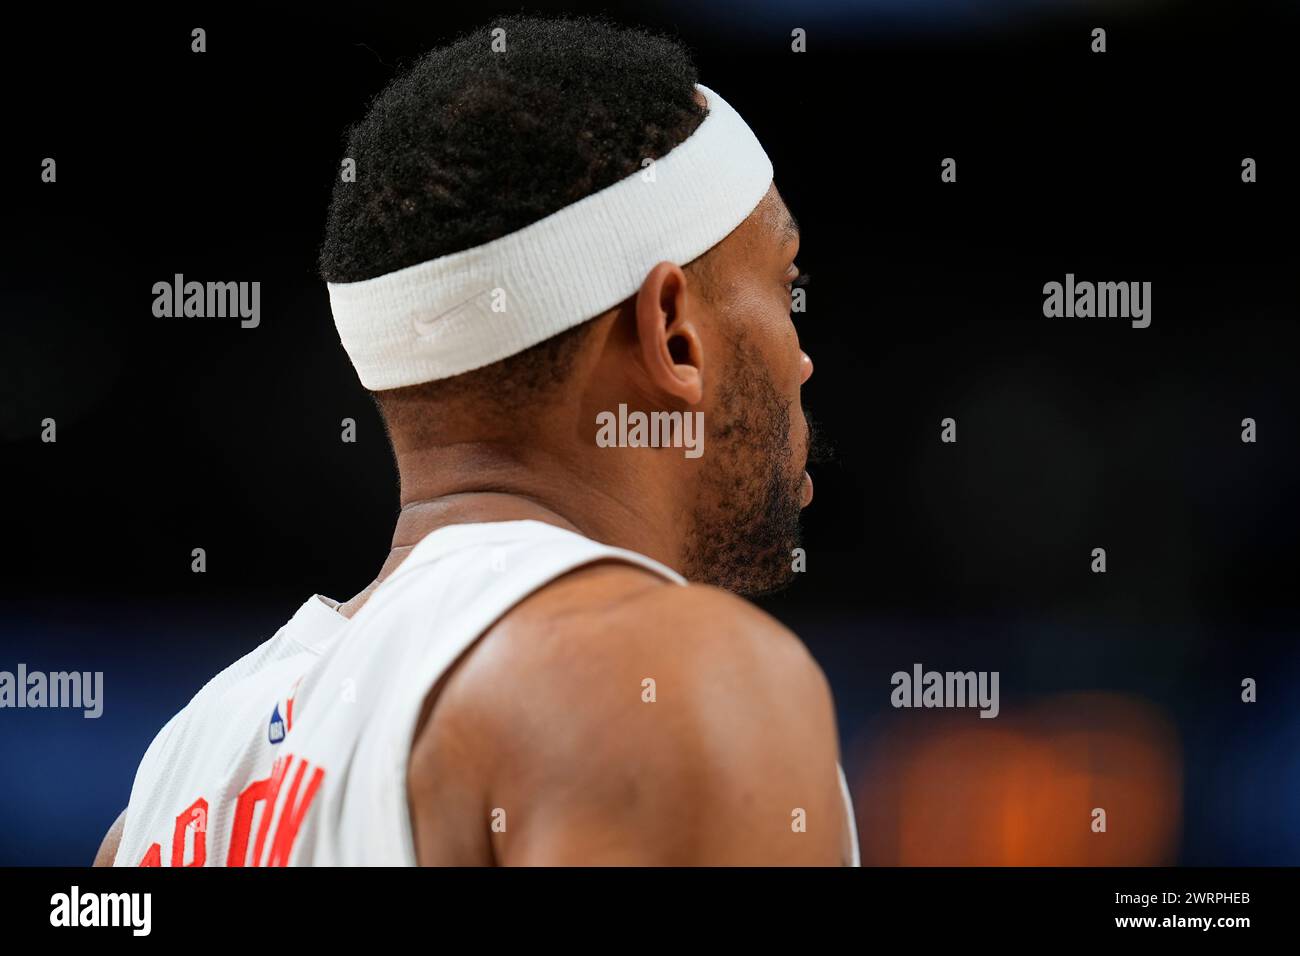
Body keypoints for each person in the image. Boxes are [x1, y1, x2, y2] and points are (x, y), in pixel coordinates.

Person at [95, 15, 858, 866]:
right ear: (672, 330)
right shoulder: (671, 681)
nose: (802, 357)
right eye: (785, 286)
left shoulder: (165, 794)